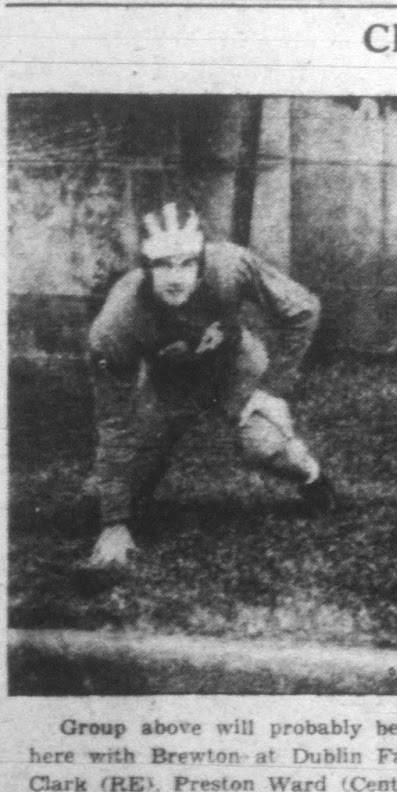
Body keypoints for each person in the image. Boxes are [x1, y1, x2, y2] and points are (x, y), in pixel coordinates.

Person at [84, 201, 333, 575]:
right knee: (104, 503)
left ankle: (312, 476)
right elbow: (114, 423)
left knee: (265, 445)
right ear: (144, 267)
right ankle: (115, 501)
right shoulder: (116, 324)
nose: (175, 277)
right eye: (162, 264)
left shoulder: (229, 266)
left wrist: (273, 389)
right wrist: (114, 522)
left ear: (201, 261)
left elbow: (304, 310)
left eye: (186, 263)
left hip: (233, 366)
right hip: (169, 386)